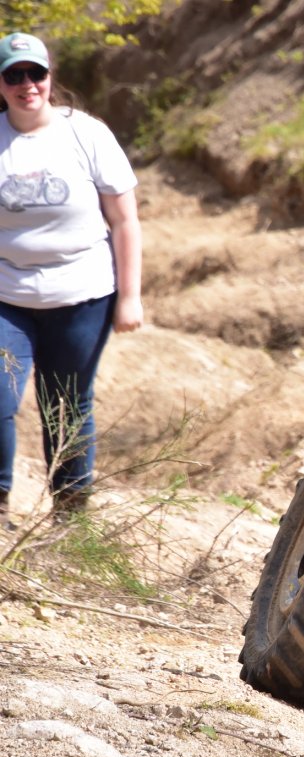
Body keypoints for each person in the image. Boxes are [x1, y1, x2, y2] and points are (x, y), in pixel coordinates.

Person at [0, 32, 143, 522]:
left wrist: (131, 298)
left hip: (82, 296)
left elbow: (124, 221)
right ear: (1, 83)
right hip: (7, 296)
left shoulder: (86, 134)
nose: (26, 84)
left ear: (49, 76)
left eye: (34, 73)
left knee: (65, 405)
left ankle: (71, 516)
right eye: (13, 75)